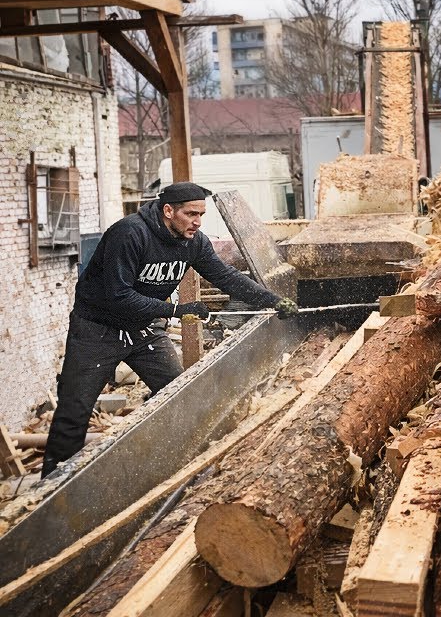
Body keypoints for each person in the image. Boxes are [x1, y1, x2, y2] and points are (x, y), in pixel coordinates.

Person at [41, 182, 299, 477]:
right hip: (97, 329)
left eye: (201, 214)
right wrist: (175, 310)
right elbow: (118, 294)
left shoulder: (195, 242)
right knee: (74, 413)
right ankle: (48, 490)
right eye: (191, 214)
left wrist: (271, 300)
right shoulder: (130, 234)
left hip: (143, 329)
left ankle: (185, 473)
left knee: (179, 395)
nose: (198, 222)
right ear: (168, 210)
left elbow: (226, 277)